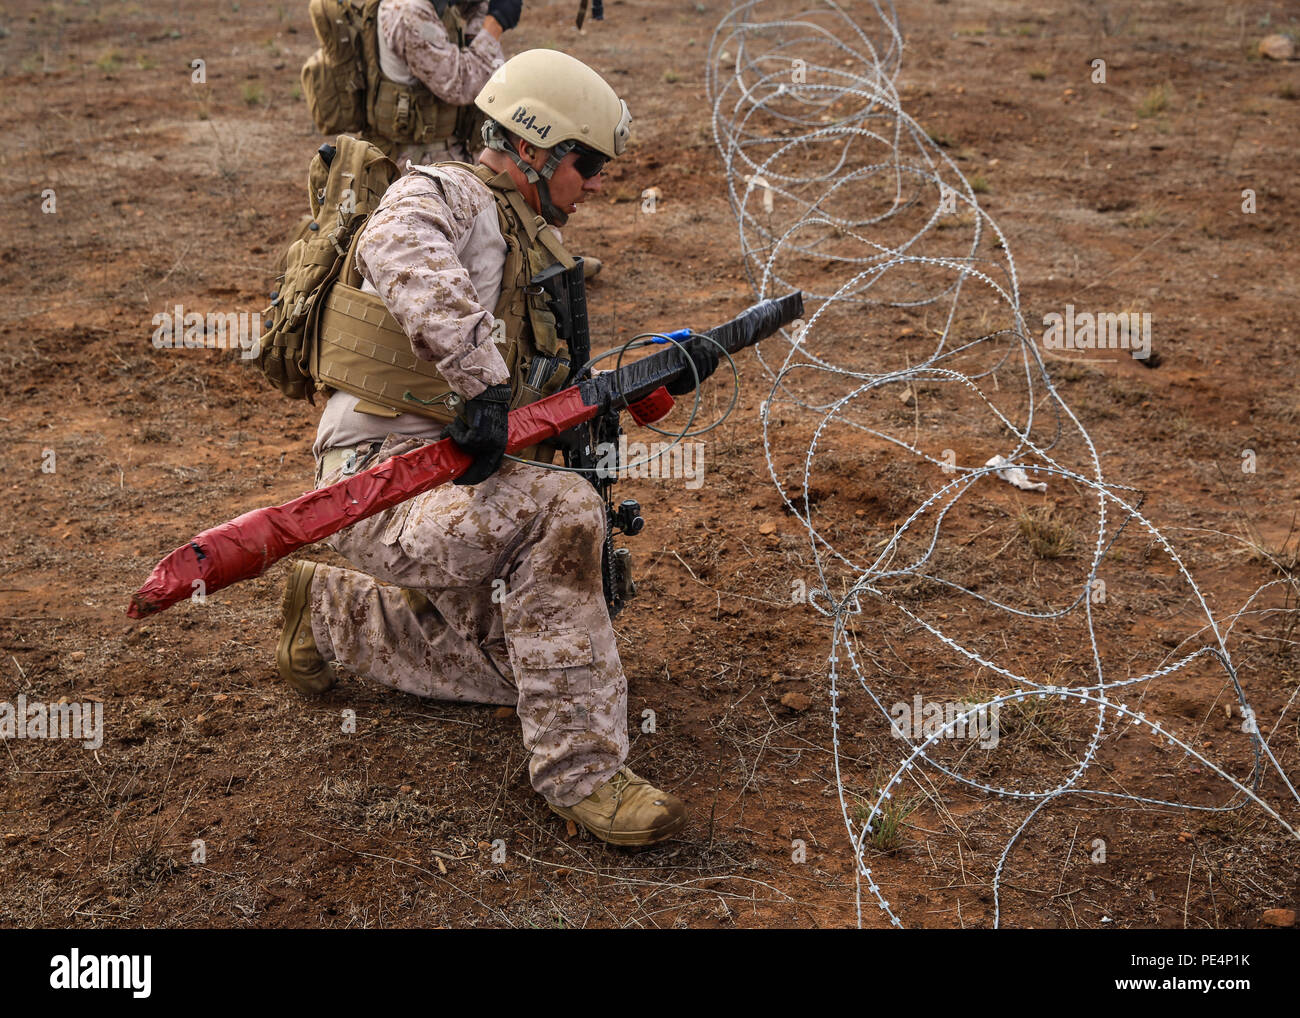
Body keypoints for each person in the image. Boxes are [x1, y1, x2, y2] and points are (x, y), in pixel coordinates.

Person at [276, 49, 718, 846]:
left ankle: (329, 614)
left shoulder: (529, 237)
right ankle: (584, 777)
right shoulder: (442, 193)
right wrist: (481, 384)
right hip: (382, 485)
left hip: (458, 485)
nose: (594, 184)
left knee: (539, 665)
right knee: (563, 511)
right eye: (587, 164)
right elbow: (398, 245)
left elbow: (548, 384)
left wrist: (654, 377)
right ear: (536, 149)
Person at [364, 0, 522, 170]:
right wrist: (494, 25)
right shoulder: (407, 11)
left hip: (445, 152)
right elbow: (460, 83)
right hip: (416, 163)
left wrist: (482, 12)